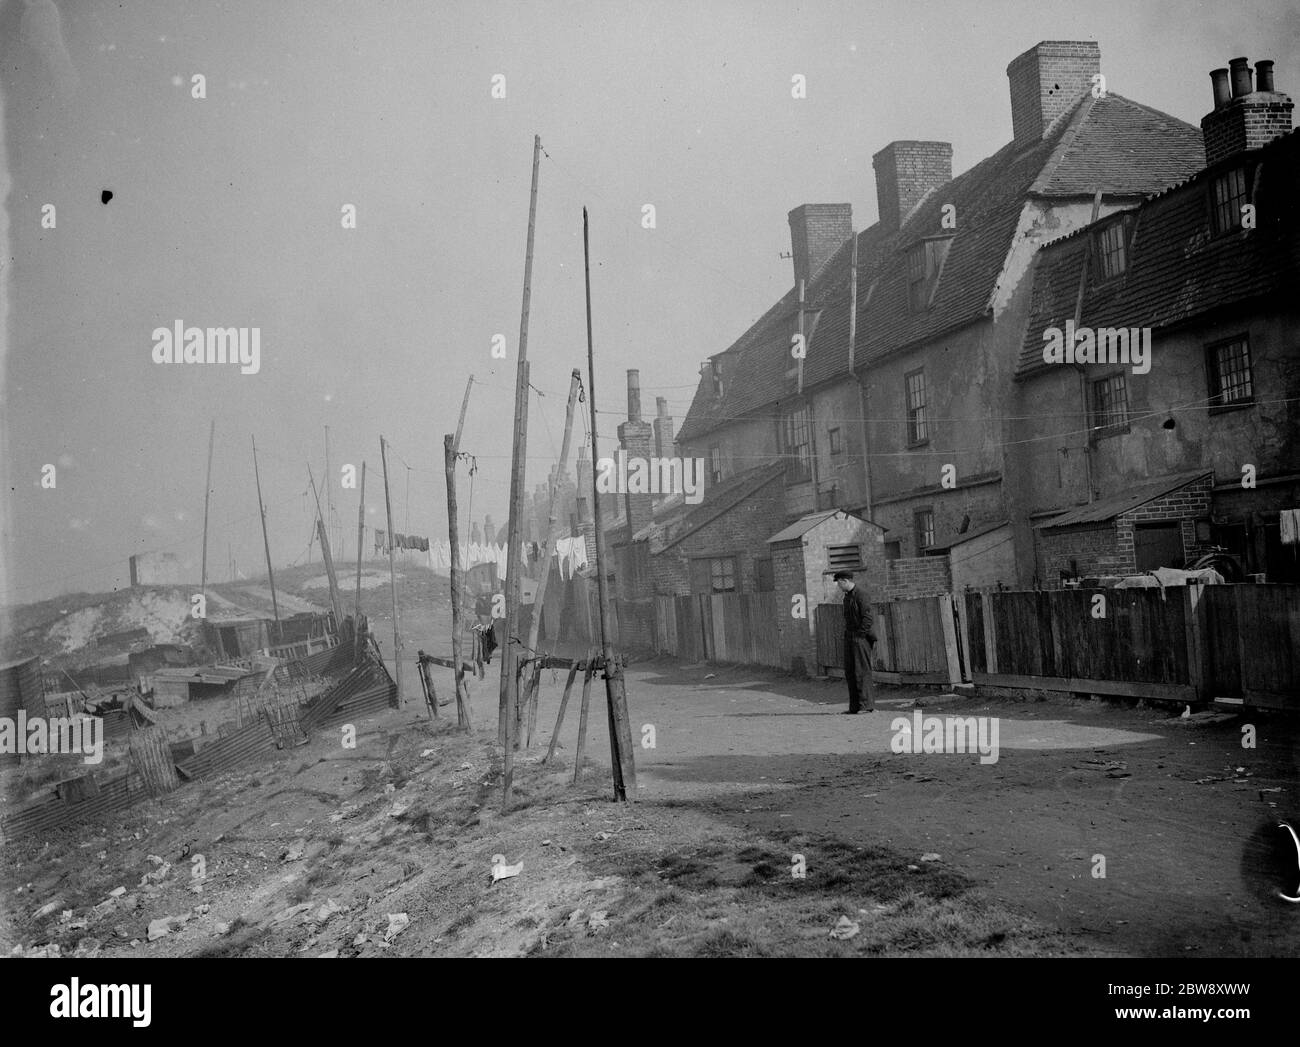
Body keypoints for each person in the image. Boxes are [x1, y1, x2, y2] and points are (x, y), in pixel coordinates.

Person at [834, 570, 876, 714]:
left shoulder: (861, 595)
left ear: (845, 581)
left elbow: (868, 618)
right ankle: (855, 707)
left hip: (860, 638)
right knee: (851, 672)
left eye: (839, 583)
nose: (838, 586)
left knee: (862, 672)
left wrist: (860, 635)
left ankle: (866, 706)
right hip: (850, 637)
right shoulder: (847, 597)